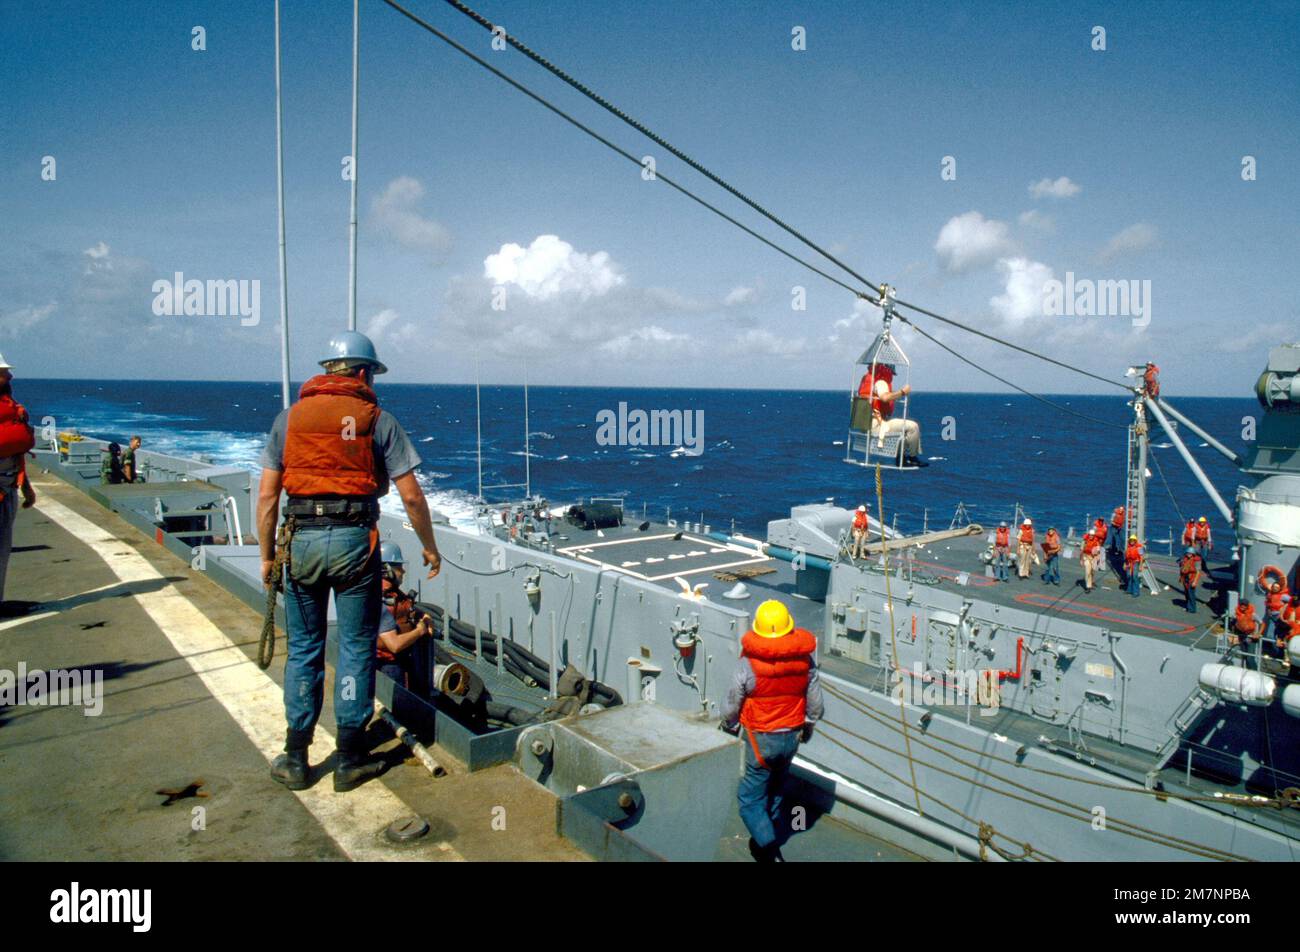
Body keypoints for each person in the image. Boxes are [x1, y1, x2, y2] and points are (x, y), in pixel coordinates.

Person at [257, 331, 443, 793]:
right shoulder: (377, 419)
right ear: (363, 373)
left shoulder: (289, 419)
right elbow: (412, 496)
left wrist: (265, 556)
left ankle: (296, 757)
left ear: (327, 371)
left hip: (299, 540)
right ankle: (350, 759)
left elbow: (266, 497)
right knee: (358, 649)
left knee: (304, 649)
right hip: (356, 541)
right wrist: (429, 546)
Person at [721, 598, 822, 863]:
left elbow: (732, 702)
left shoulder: (748, 664)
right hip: (792, 738)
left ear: (758, 629)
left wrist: (728, 725)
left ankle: (768, 850)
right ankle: (767, 837)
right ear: (789, 627)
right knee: (776, 787)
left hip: (762, 739)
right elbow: (816, 704)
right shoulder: (805, 661)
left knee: (749, 798)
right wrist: (808, 725)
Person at [0, 353, 37, 617]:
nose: (10, 376)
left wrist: (25, 485)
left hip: (8, 487)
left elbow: (16, 453)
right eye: (4, 372)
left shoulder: (11, 409)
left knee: (3, 551)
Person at [376, 540, 432, 687]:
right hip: (387, 667)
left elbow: (407, 608)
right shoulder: (378, 601)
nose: (403, 571)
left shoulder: (394, 594)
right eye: (399, 567)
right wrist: (420, 631)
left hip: (402, 662)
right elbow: (393, 645)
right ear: (386, 569)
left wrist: (422, 616)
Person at [857, 362, 923, 466]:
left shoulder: (867, 379)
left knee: (905, 432)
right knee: (913, 427)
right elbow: (885, 397)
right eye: (891, 373)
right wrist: (902, 392)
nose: (891, 376)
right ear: (886, 371)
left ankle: (902, 458)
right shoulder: (881, 382)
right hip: (877, 425)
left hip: (866, 425)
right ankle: (912, 458)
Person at [1178, 546, 1202, 614]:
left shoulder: (1197, 561)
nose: (1189, 554)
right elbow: (1182, 567)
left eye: (1190, 553)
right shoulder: (1184, 559)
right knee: (1187, 593)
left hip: (1191, 578)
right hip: (1185, 578)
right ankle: (1188, 606)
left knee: (1191, 594)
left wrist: (1195, 581)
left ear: (1193, 553)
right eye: (1188, 553)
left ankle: (1192, 609)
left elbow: (1198, 572)